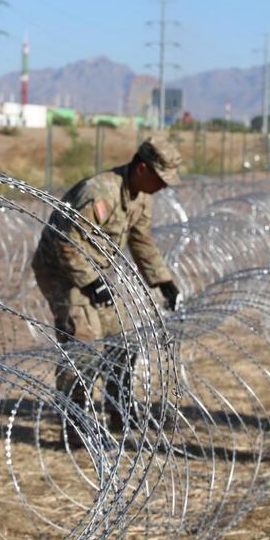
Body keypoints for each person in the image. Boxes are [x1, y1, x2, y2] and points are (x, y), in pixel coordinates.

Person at [31, 134, 183, 440]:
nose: (164, 186)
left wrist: (163, 281)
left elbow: (141, 242)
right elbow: (67, 242)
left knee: (123, 339)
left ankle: (120, 411)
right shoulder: (99, 191)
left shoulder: (141, 197)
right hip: (61, 271)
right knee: (84, 340)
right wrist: (91, 282)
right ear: (142, 169)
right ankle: (75, 423)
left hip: (94, 272)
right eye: (160, 178)